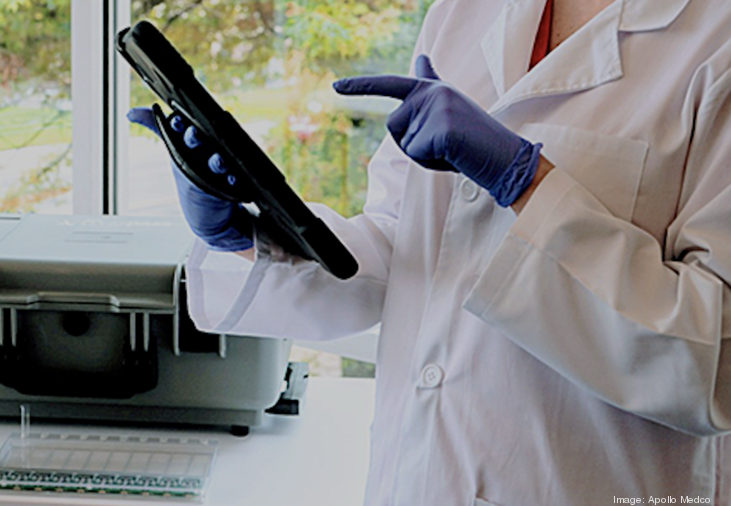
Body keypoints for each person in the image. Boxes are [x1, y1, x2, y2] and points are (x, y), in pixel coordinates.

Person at [130, 0, 731, 503]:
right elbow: (405, 245)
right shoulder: (465, 11)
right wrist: (251, 236)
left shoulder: (716, 38)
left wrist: (528, 183)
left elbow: (716, 361)